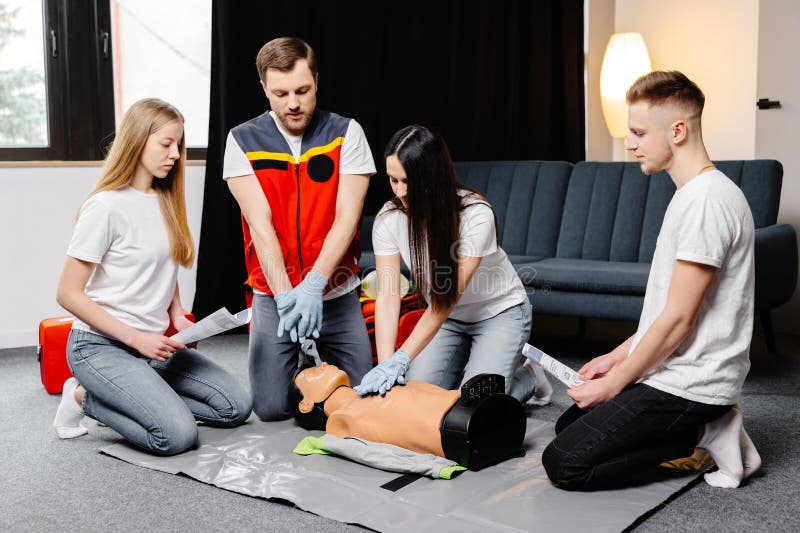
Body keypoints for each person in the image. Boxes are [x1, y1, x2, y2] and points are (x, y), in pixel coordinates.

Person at [541, 71, 761, 490]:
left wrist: (613, 385)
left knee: (566, 463)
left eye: (639, 132)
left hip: (693, 383)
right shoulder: (690, 195)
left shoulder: (707, 203)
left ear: (678, 130)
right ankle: (698, 429)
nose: (629, 143)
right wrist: (616, 358)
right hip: (671, 370)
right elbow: (666, 309)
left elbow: (678, 320)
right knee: (569, 426)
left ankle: (704, 433)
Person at [52, 98, 252, 456]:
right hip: (99, 346)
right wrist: (137, 339)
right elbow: (68, 293)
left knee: (235, 407)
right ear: (138, 141)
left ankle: (144, 395)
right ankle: (84, 397)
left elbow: (163, 266)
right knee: (176, 436)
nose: (175, 154)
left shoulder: (165, 200)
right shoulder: (106, 207)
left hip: (154, 346)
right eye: (165, 144)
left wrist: (177, 316)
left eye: (178, 144)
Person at [224, 37, 375, 421]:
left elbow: (347, 218)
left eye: (302, 91)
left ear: (317, 82)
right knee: (272, 408)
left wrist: (314, 285)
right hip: (275, 294)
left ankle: (316, 366)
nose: (293, 103)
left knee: (360, 399)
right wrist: (287, 296)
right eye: (280, 93)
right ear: (264, 88)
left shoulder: (347, 133)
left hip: (336, 290)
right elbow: (260, 226)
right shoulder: (241, 140)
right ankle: (306, 370)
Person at [353, 125, 552, 406]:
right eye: (393, 180)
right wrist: (387, 365)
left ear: (432, 178)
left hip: (498, 313)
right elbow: (387, 295)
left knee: (473, 407)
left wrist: (403, 357)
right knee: (413, 402)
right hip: (447, 321)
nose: (400, 192)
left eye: (408, 181)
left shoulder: (475, 214)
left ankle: (529, 376)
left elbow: (444, 300)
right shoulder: (389, 218)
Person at [291, 362, 526, 470]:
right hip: (459, 430)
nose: (322, 363)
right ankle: (528, 378)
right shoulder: (339, 422)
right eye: (312, 372)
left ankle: (527, 379)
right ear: (305, 404)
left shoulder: (373, 387)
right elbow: (373, 454)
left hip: (468, 407)